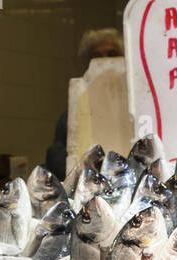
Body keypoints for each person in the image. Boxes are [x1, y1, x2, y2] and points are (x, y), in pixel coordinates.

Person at [45, 28, 124, 179]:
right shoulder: (69, 118)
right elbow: (56, 160)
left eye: (112, 54)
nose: (105, 61)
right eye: (97, 56)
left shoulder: (138, 109)